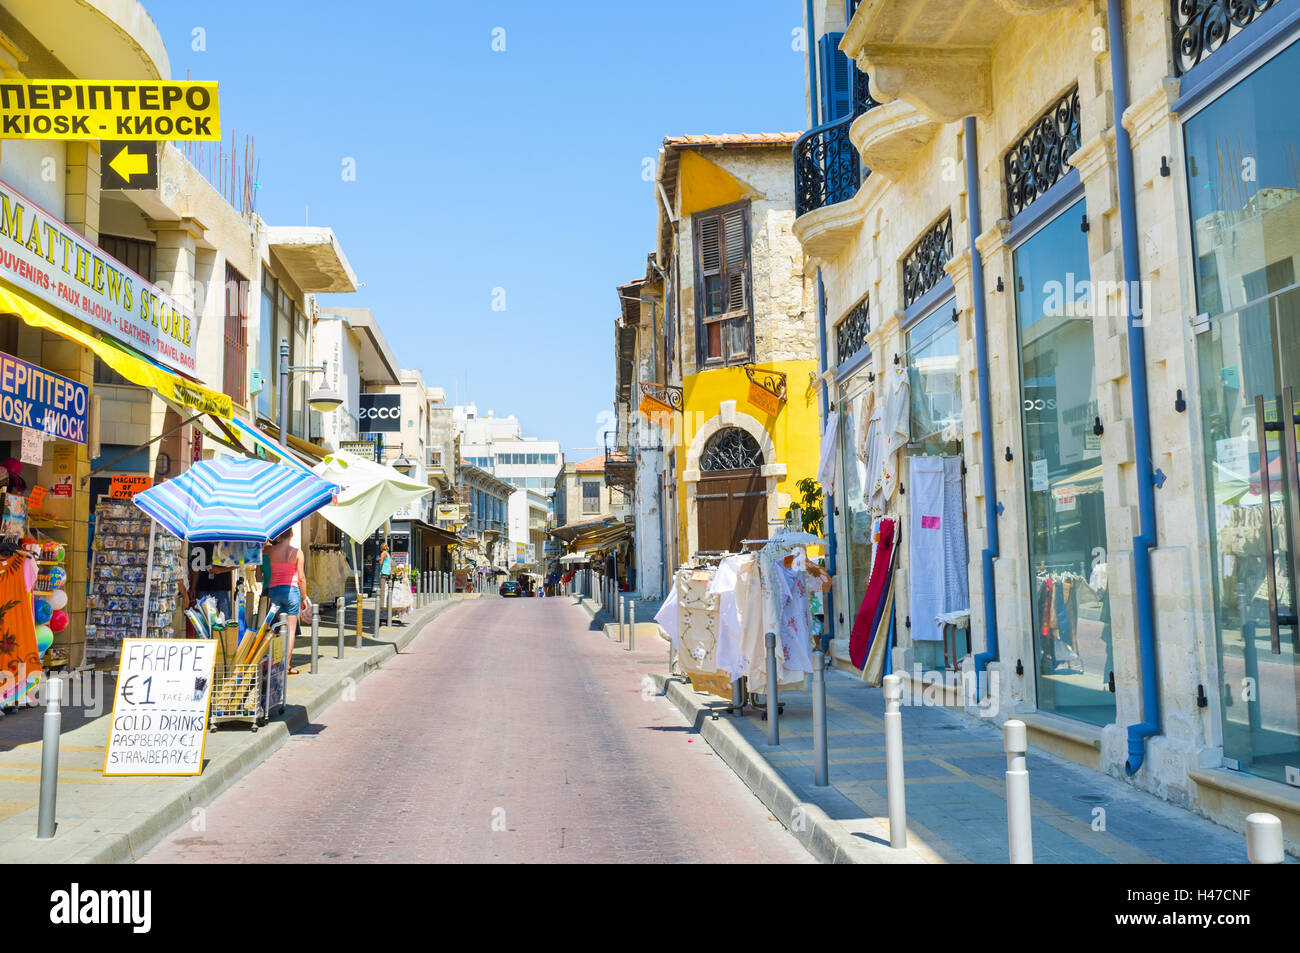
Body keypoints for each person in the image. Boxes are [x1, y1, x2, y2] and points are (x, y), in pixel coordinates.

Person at [265, 528, 307, 675]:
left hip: (274, 592)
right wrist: (304, 597)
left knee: (275, 628)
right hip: (292, 593)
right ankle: (287, 665)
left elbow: (259, 562)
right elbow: (301, 578)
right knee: (291, 631)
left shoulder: (269, 551)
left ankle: (274, 662)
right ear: (291, 535)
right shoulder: (298, 553)